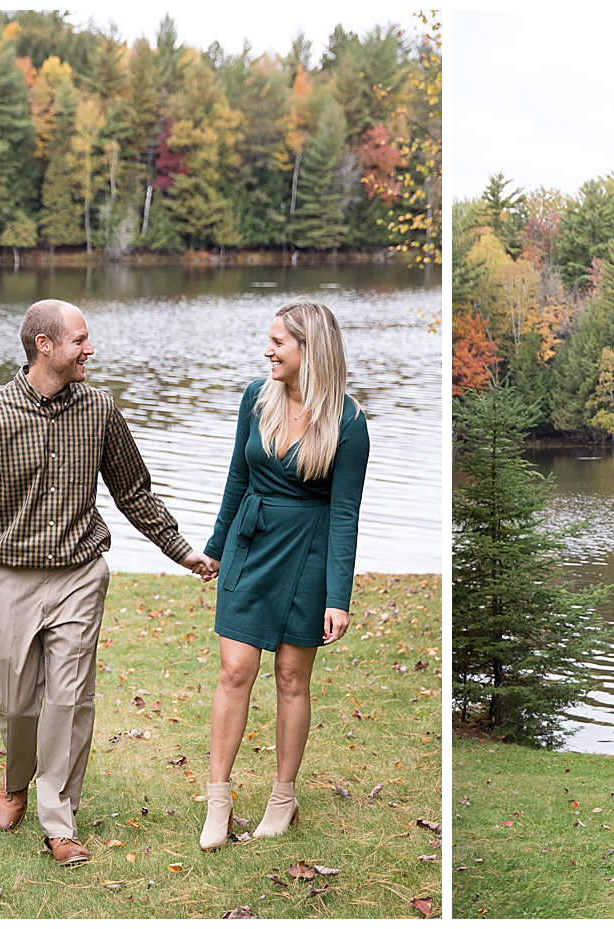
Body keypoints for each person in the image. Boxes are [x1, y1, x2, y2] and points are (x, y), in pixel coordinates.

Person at [0, 299, 218, 867]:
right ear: (45, 346)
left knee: (69, 698)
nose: (89, 349)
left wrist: (182, 550)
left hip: (79, 574)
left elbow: (133, 491)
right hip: (8, 577)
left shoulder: (99, 409)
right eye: (80, 340)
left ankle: (59, 820)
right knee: (17, 703)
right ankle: (16, 778)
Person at [197, 301, 369, 851]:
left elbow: (345, 514)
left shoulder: (348, 423)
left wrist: (337, 596)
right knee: (234, 669)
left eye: (278, 343)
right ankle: (218, 802)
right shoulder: (255, 397)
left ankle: (282, 799)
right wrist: (216, 548)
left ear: (309, 349)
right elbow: (235, 478)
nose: (267, 350)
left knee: (293, 678)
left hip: (309, 551)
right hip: (251, 541)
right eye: (269, 341)